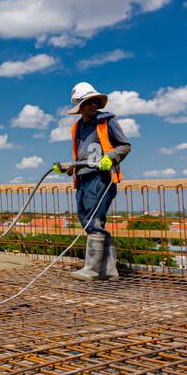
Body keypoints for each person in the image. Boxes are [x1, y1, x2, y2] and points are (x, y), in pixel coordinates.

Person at [53, 81, 131, 281]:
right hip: (83, 177)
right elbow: (81, 155)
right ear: (80, 107)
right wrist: (70, 167)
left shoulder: (107, 122)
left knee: (94, 221)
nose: (93, 105)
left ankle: (92, 269)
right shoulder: (77, 127)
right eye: (88, 102)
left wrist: (111, 158)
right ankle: (109, 270)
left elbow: (125, 146)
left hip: (101, 177)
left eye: (95, 101)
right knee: (87, 219)